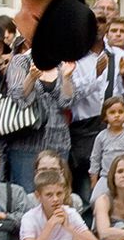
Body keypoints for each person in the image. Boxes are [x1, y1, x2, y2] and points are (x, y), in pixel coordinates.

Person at [69, 6, 124, 202]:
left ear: (107, 25)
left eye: (100, 20)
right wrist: (96, 75)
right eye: (91, 22)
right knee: (86, 190)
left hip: (113, 128)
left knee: (116, 184)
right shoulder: (74, 58)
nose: (96, 26)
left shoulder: (119, 55)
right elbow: (71, 95)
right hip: (84, 131)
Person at [4, 47, 77, 192]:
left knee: (58, 194)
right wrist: (31, 77)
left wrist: (67, 77)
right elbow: (18, 98)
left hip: (58, 142)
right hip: (27, 143)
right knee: (27, 195)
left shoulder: (62, 63)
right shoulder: (21, 61)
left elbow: (67, 102)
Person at [88, 95, 124, 201]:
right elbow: (95, 159)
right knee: (95, 200)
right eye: (112, 112)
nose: (117, 115)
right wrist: (94, 181)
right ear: (105, 116)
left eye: (120, 112)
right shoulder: (101, 137)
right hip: (106, 177)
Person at [27, 149, 85, 215]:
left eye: (53, 169)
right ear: (36, 173)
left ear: (61, 173)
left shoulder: (75, 201)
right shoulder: (28, 201)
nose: (49, 174)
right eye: (43, 169)